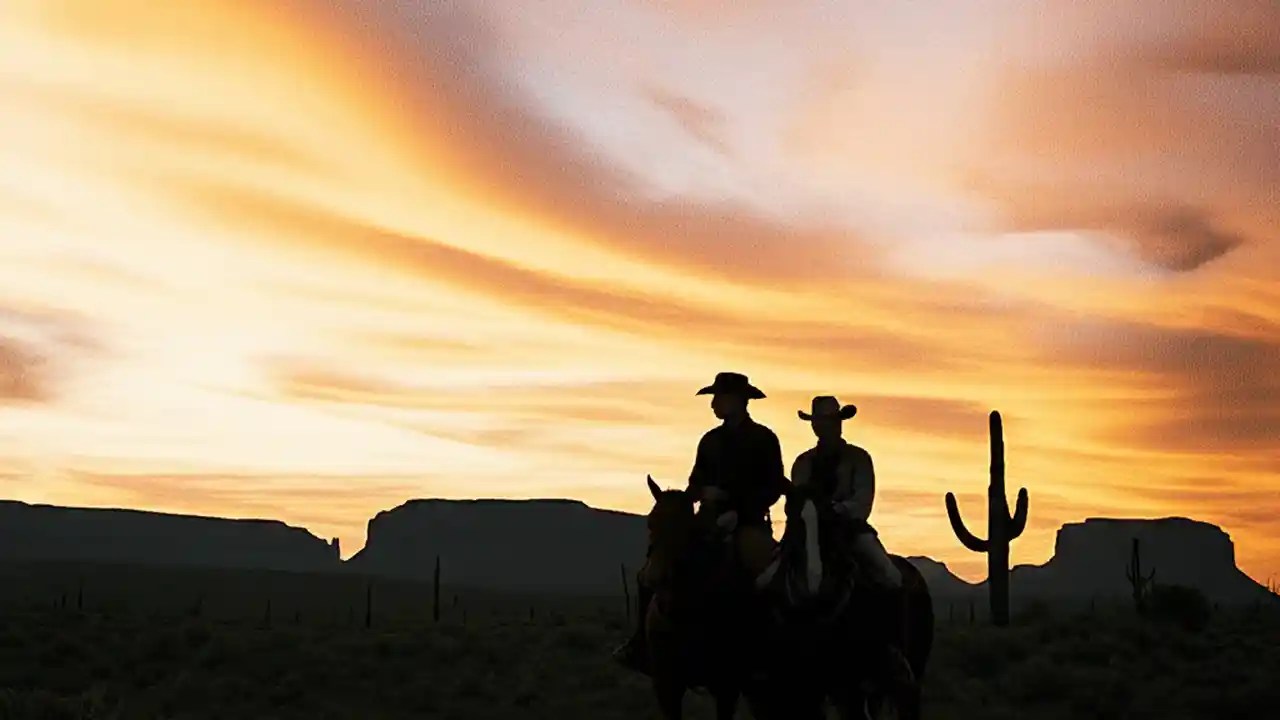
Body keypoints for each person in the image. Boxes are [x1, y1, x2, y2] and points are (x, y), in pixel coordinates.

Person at [613, 371, 789, 674]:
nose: (713, 405)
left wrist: (740, 507)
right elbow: (695, 482)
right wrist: (697, 494)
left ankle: (776, 648)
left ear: (737, 401)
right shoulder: (710, 441)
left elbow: (773, 487)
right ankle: (642, 642)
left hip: (749, 524)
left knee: (771, 577)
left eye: (718, 398)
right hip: (706, 520)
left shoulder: (764, 439)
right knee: (655, 569)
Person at [790, 395, 901, 590]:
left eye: (833, 421)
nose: (828, 427)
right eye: (822, 422)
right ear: (814, 426)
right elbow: (796, 500)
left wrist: (837, 510)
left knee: (888, 573)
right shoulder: (802, 463)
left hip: (850, 530)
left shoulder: (858, 458)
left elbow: (862, 502)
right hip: (807, 530)